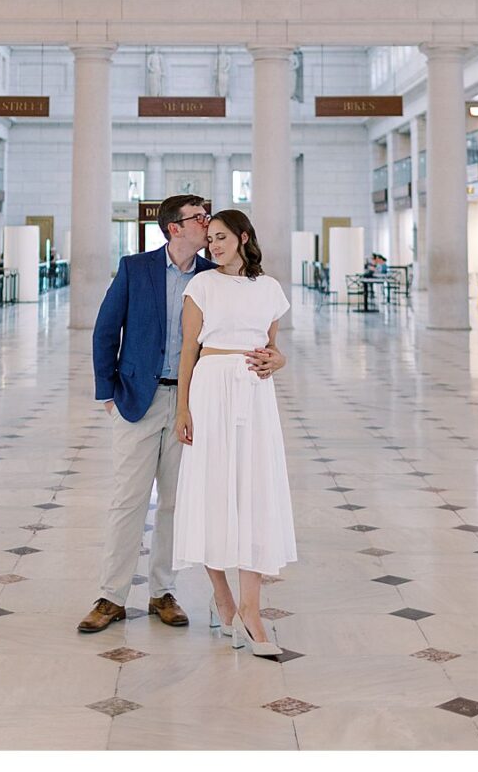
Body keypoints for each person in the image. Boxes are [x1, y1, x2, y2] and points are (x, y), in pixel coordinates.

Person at [83, 195, 284, 634]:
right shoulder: (136, 268)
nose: (207, 226)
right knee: (129, 499)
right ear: (176, 227)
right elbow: (105, 328)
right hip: (138, 397)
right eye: (199, 219)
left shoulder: (216, 276)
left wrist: (273, 358)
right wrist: (107, 393)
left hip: (197, 402)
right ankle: (111, 595)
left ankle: (162, 591)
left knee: (178, 500)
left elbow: (252, 330)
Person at [172, 210, 297, 657]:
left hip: (254, 394)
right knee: (214, 490)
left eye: (222, 238)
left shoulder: (269, 289)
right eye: (210, 242)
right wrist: (183, 407)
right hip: (210, 389)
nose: (215, 247)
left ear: (243, 237)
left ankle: (251, 610)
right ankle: (223, 599)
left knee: (253, 493)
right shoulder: (200, 286)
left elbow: (273, 348)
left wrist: (278, 361)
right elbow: (189, 350)